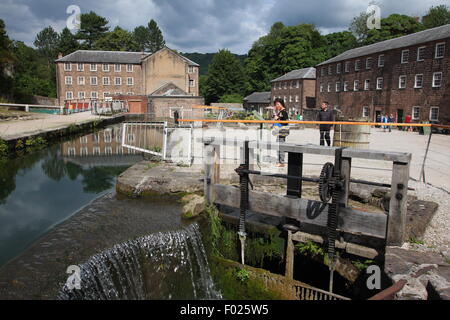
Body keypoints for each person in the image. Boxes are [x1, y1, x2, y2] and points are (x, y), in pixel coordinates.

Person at [273, 98, 289, 167]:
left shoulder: (283, 111)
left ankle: (282, 162)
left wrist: (277, 119)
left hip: (282, 131)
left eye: (277, 104)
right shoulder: (280, 111)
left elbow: (285, 122)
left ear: (281, 104)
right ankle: (280, 161)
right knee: (279, 146)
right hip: (279, 131)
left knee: (281, 147)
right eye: (276, 104)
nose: (276, 105)